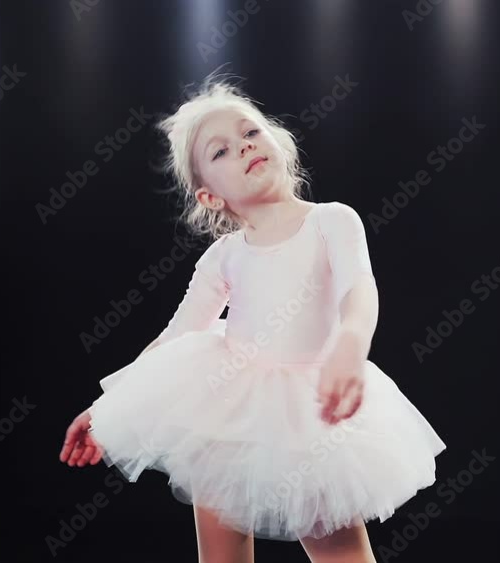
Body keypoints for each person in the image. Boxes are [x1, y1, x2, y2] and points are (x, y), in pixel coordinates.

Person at [58, 72, 445, 563]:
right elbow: (176, 337)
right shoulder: (224, 255)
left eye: (250, 133)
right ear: (209, 197)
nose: (242, 148)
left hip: (310, 414)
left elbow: (357, 289)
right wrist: (105, 408)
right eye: (220, 152)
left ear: (277, 141)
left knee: (341, 555)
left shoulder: (331, 220)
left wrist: (350, 342)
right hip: (225, 410)